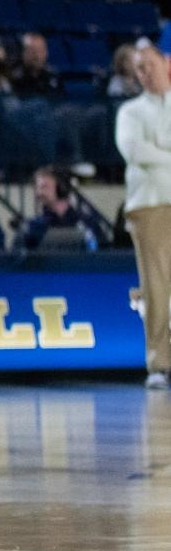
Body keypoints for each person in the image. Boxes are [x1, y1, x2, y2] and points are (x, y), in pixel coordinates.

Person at [117, 40, 171, 386]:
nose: (145, 72)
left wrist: (159, 154)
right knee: (155, 286)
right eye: (138, 68)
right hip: (148, 204)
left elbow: (151, 153)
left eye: (149, 64)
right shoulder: (130, 112)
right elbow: (135, 151)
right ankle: (159, 363)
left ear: (165, 63)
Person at [18, 165, 112, 251]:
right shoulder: (32, 227)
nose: (39, 193)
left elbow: (103, 255)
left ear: (61, 188)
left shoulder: (88, 224)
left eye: (44, 187)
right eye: (38, 188)